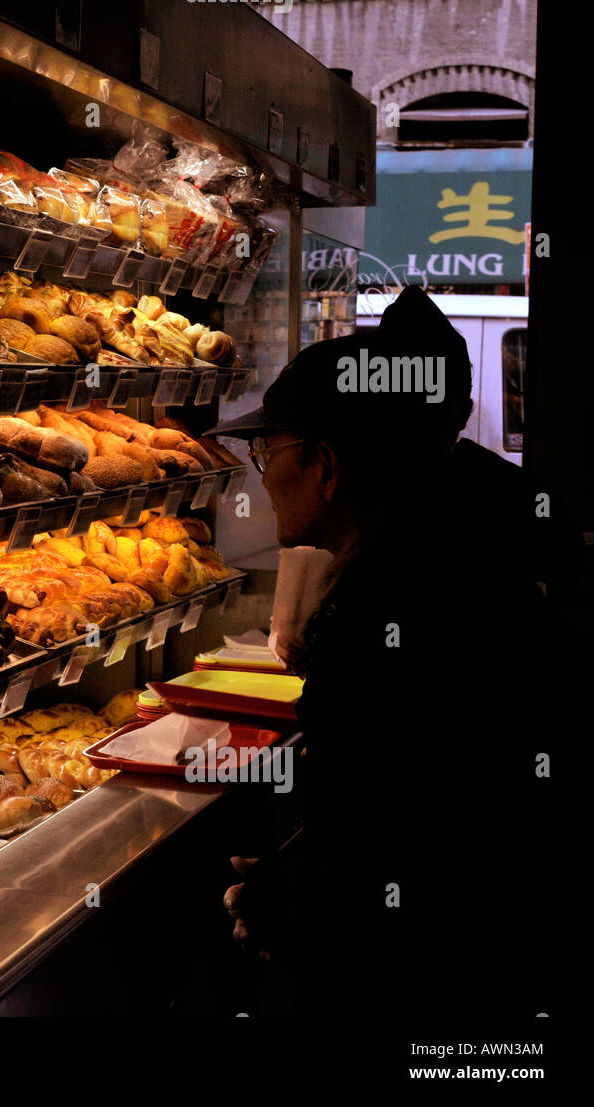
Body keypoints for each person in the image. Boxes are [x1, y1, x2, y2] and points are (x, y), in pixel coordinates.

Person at [210, 287, 559, 1019]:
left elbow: (397, 849)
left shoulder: (382, 610)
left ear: (326, 467)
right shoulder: (441, 547)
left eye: (267, 448)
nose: (261, 471)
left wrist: (276, 903)